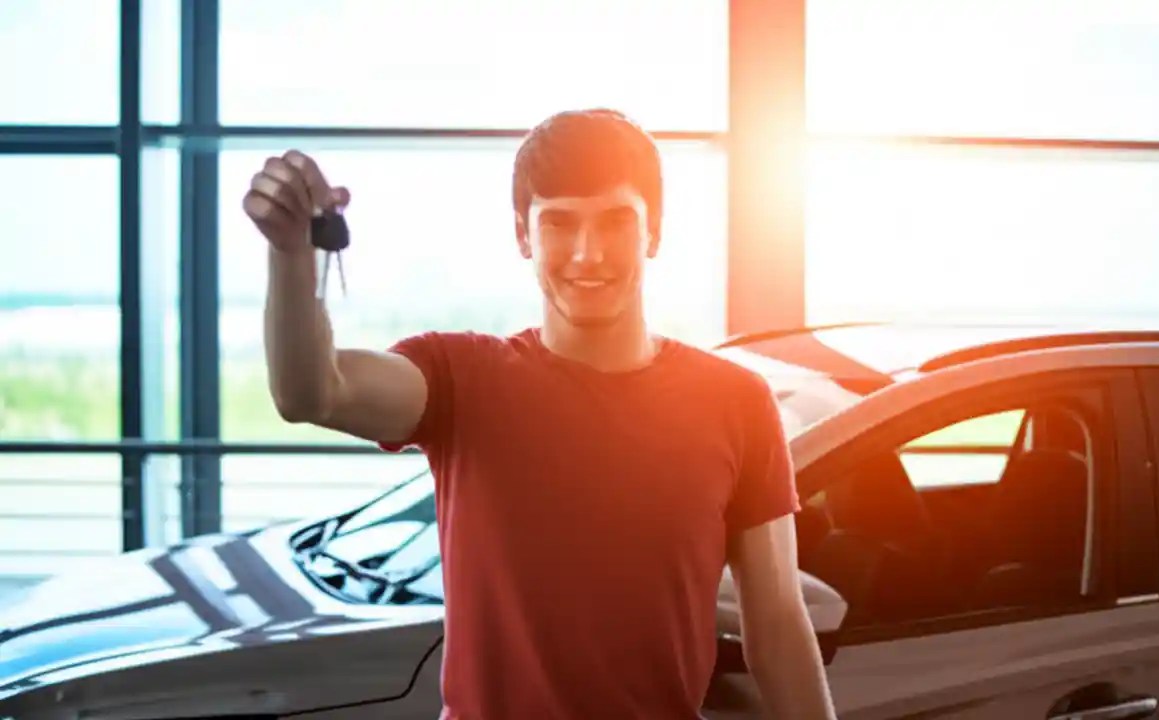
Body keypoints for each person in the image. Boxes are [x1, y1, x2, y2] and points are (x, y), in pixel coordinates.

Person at [242, 108, 836, 720]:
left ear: (652, 232)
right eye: (558, 223)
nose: (587, 253)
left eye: (615, 222)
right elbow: (311, 392)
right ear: (524, 237)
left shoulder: (735, 401)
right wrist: (293, 257)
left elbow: (776, 622)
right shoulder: (461, 379)